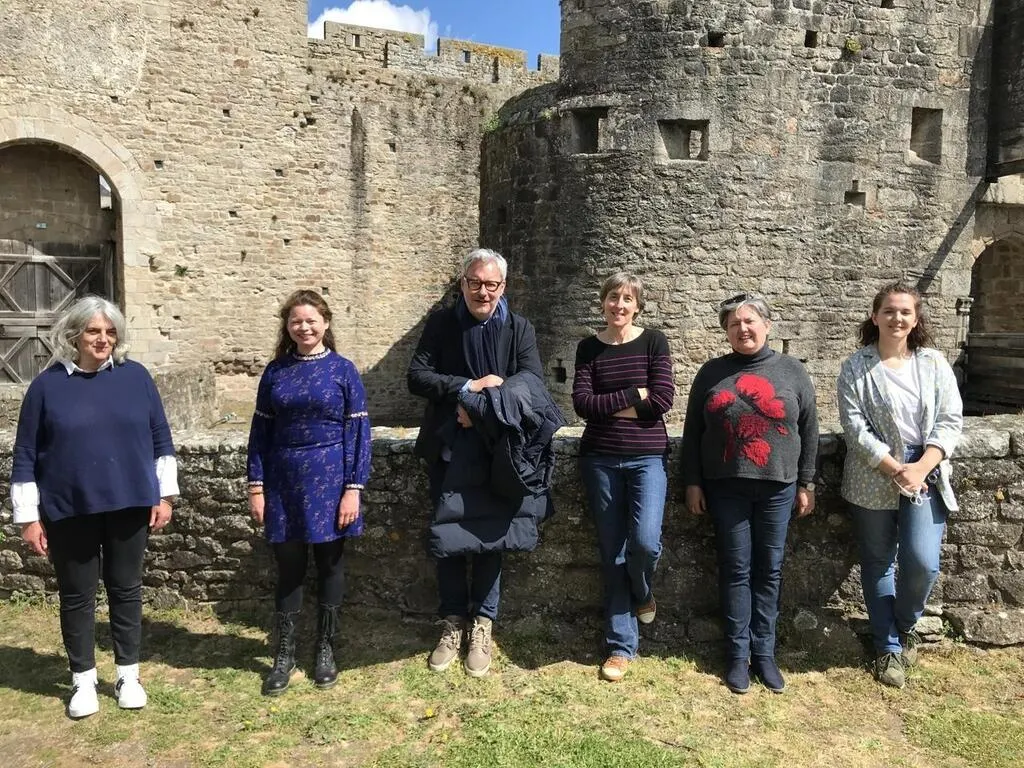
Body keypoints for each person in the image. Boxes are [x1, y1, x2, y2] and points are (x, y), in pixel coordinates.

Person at [11, 295, 178, 718]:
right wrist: (28, 516)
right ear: (74, 334)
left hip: (129, 503)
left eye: (109, 331)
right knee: (77, 596)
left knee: (126, 591)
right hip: (70, 507)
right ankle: (82, 680)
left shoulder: (136, 377)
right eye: (93, 331)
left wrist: (164, 494)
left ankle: (127, 675)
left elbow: (160, 437)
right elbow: (26, 453)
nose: (102, 339)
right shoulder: (47, 386)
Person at [408, 247, 545, 677]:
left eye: (491, 284)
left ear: (503, 287)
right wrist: (467, 387)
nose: (482, 291)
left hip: (494, 449)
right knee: (448, 536)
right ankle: (452, 621)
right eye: (474, 282)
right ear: (462, 282)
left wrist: (483, 406)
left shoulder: (519, 328)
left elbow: (531, 382)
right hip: (449, 446)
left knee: (491, 537)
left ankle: (482, 623)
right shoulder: (442, 323)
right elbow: (418, 376)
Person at [682, 292, 818, 695]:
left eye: (750, 321)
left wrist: (807, 483)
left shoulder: (792, 371)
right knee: (737, 569)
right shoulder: (711, 373)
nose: (743, 329)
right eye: (734, 324)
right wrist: (693, 481)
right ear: (726, 331)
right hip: (726, 486)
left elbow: (809, 429)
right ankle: (737, 656)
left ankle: (765, 655)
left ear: (767, 325)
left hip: (778, 486)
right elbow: (694, 432)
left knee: (769, 570)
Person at [837, 282, 962, 689]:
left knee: (922, 561)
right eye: (889, 311)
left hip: (925, 469)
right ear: (874, 317)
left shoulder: (933, 363)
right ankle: (888, 648)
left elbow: (950, 418)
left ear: (916, 318)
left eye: (905, 312)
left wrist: (922, 466)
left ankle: (904, 623)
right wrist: (896, 467)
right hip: (873, 472)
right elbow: (855, 428)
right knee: (877, 563)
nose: (897, 319)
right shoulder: (857, 366)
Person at [247, 289, 371, 696]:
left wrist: (353, 489)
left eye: (311, 320)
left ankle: (325, 650)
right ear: (287, 326)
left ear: (326, 323)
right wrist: (256, 486)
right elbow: (260, 433)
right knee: (289, 567)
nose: (304, 327)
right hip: (283, 479)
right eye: (296, 321)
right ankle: (284, 654)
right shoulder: (275, 372)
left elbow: (358, 433)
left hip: (331, 479)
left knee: (331, 564)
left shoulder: (344, 370)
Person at [572, 272, 674, 682]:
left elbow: (663, 399)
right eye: (613, 297)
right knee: (612, 550)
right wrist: (635, 395)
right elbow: (582, 404)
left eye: (627, 299)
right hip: (599, 459)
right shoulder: (588, 348)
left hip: (647, 457)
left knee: (645, 543)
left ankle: (644, 591)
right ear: (603, 302)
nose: (619, 305)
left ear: (638, 306)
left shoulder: (654, 342)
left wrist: (609, 405)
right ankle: (620, 646)